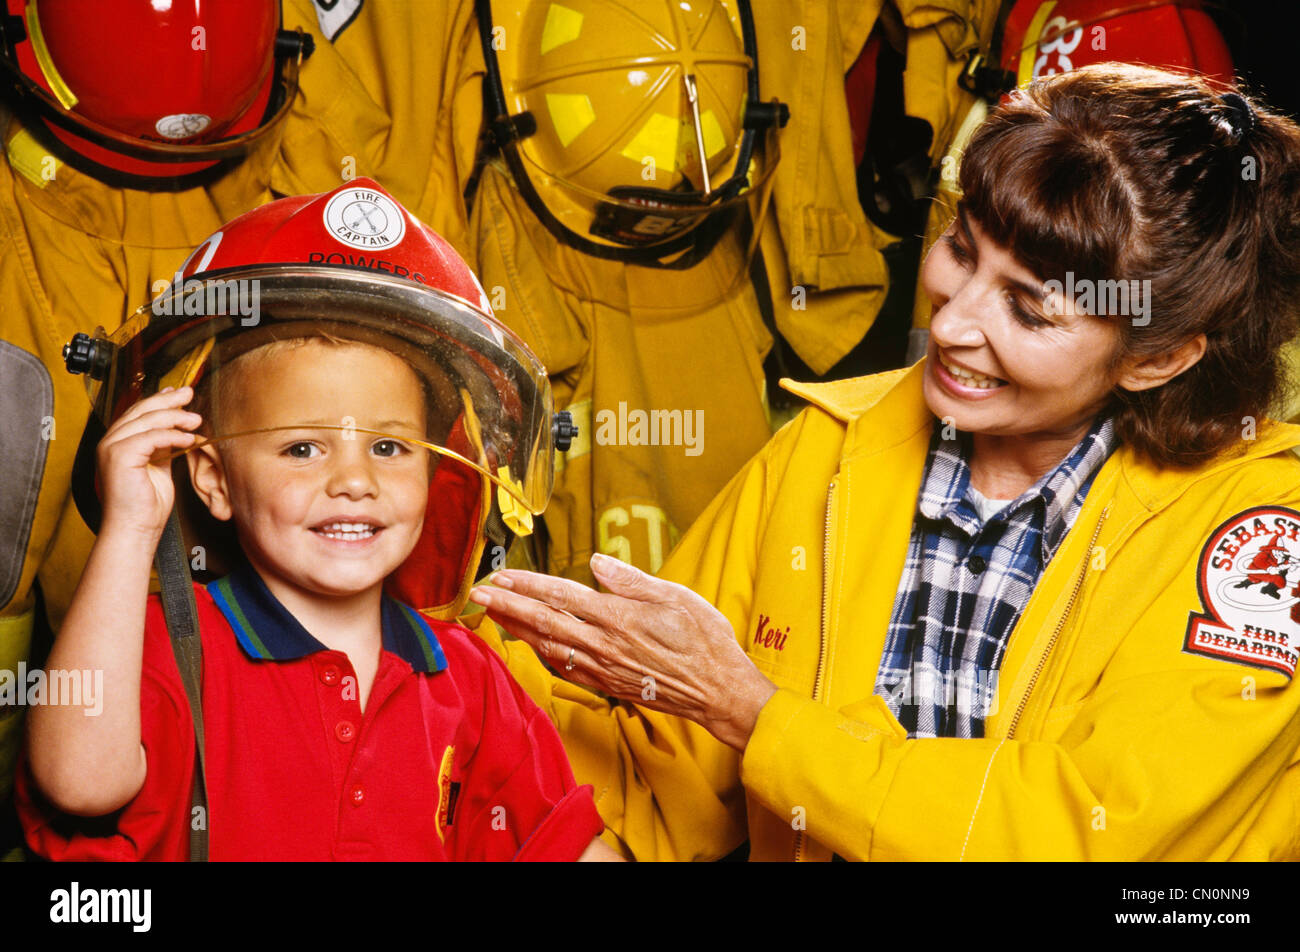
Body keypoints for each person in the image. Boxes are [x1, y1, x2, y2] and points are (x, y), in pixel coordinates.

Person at [464, 64, 1300, 860]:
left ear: (1157, 359)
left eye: (1030, 309)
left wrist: (759, 718)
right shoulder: (828, 447)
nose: (952, 324)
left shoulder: (1260, 542)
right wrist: (425, 657)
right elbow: (663, 782)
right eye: (963, 250)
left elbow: (1085, 835)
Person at [15, 180, 617, 861]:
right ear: (212, 478)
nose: (355, 481)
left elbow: (566, 848)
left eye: (389, 448)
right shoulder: (165, 649)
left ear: (433, 470)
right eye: (302, 448)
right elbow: (78, 784)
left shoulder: (471, 680)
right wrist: (130, 530)